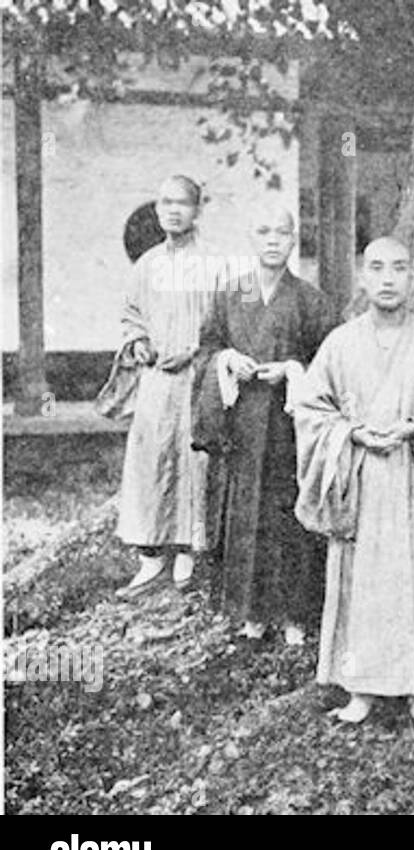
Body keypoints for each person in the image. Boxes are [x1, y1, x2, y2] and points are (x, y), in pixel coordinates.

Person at [294, 236, 414, 727]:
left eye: (398, 268)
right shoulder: (340, 342)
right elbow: (312, 411)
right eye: (376, 268)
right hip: (360, 480)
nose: (387, 279)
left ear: (412, 276)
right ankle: (360, 687)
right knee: (361, 581)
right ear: (363, 277)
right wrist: (350, 433)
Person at [192, 206, 335, 645]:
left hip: (291, 428)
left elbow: (331, 363)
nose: (273, 240)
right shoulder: (232, 294)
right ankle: (251, 614)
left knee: (290, 515)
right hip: (243, 426)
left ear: (294, 240)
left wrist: (293, 369)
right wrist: (226, 360)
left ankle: (295, 615)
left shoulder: (310, 300)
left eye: (282, 233)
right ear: (251, 238)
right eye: (263, 231)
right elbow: (206, 350)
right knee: (245, 515)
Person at [115, 175, 220, 598]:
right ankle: (150, 556)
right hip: (157, 381)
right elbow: (131, 314)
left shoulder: (216, 264)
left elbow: (228, 323)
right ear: (157, 211)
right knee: (151, 459)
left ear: (197, 210)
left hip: (197, 379)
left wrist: (196, 350)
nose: (173, 211)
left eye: (183, 203)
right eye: (165, 204)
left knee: (192, 457)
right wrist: (138, 342)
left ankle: (188, 552)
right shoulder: (147, 265)